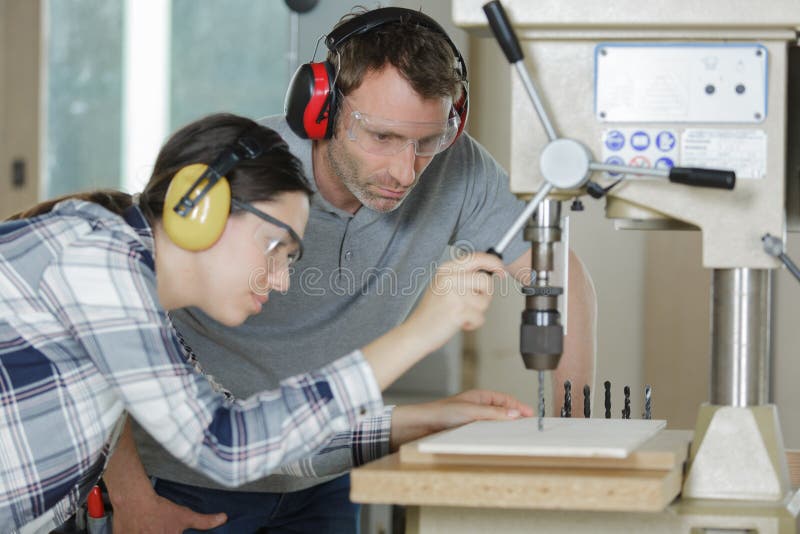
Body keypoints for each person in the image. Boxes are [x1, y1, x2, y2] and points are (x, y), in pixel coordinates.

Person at [107, 7, 597, 534]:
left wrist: (571, 436)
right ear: (323, 110)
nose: (405, 171)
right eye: (382, 137)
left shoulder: (458, 168)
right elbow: (108, 333)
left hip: (327, 469)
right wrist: (131, 497)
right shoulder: (245, 172)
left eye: (426, 141)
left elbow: (560, 276)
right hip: (185, 478)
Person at [0, 113, 527, 533]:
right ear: (197, 206)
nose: (279, 282)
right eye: (274, 248)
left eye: (290, 259)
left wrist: (421, 420)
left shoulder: (137, 301)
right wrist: (418, 334)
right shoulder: (96, 261)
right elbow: (227, 446)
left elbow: (257, 434)